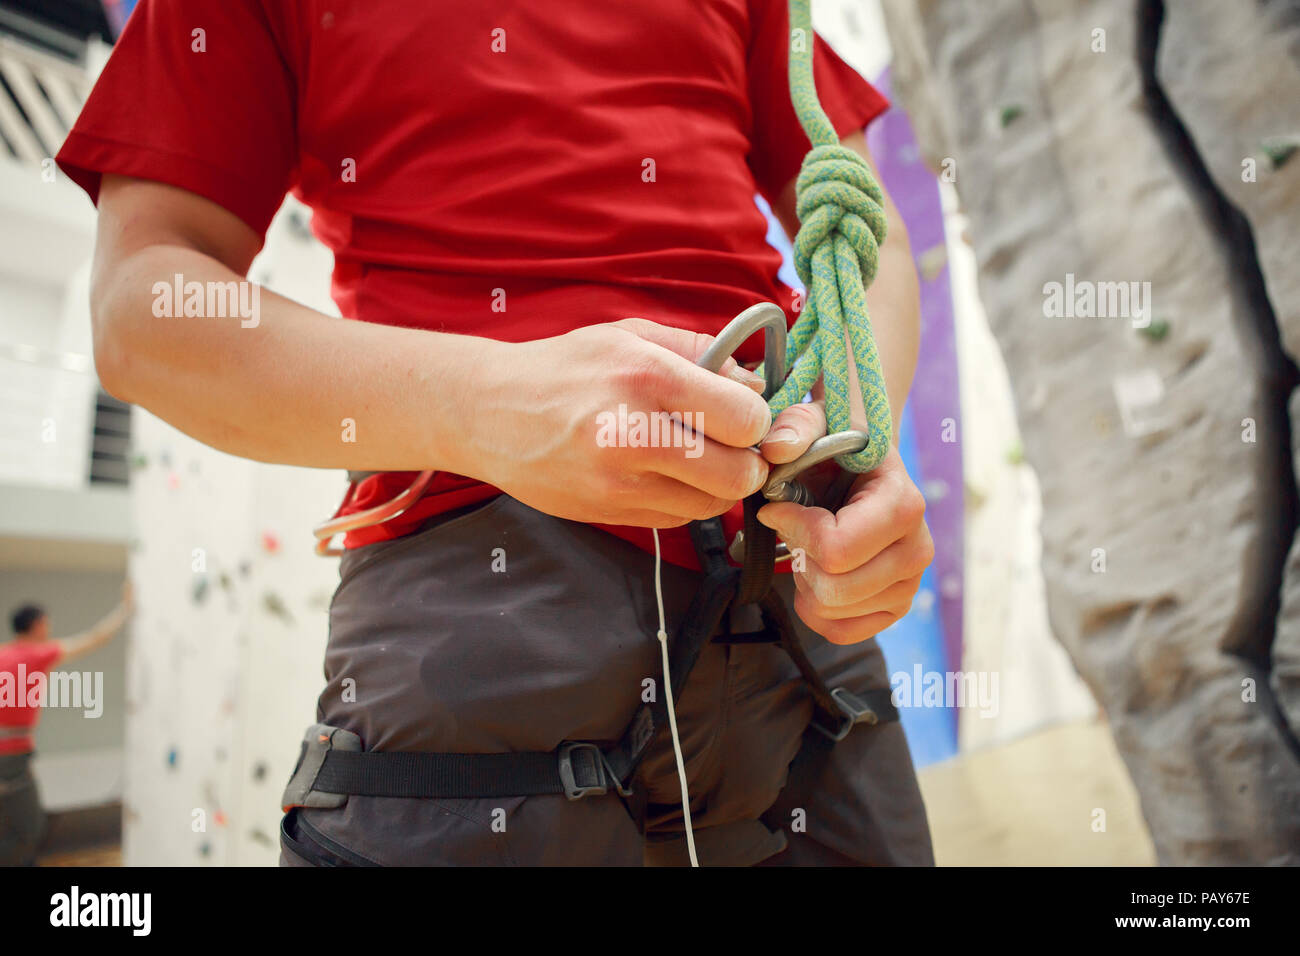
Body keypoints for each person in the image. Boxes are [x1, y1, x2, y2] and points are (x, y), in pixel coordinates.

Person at [57, 0, 935, 865]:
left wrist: (863, 444)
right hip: (477, 589)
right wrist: (488, 404)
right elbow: (142, 305)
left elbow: (861, 223)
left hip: (793, 575)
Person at [0, 582, 133, 866]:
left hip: (11, 754)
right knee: (30, 827)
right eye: (46, 623)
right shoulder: (37, 654)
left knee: (11, 824)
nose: (48, 628)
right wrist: (125, 609)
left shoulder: (3, 653)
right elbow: (96, 638)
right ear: (36, 625)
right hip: (11, 758)